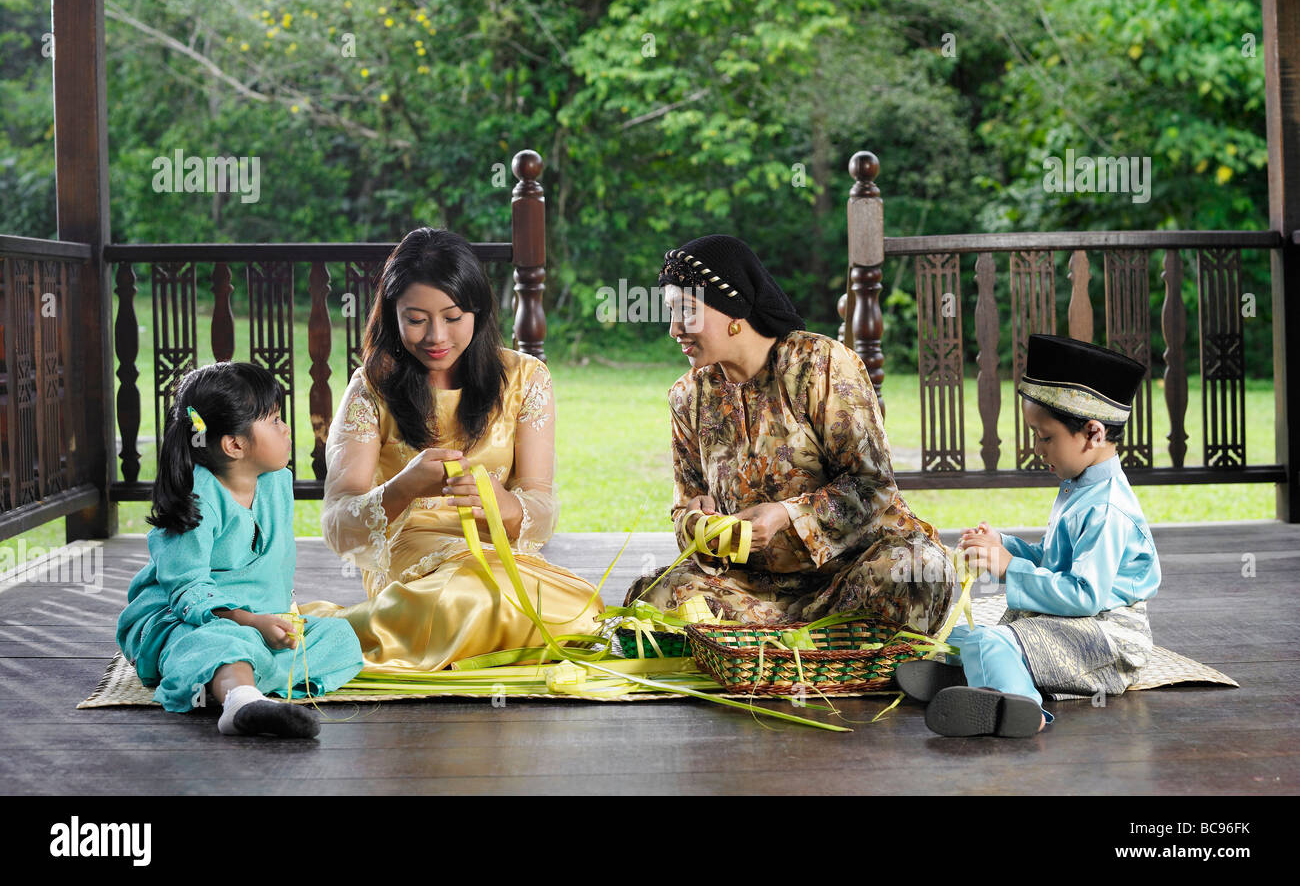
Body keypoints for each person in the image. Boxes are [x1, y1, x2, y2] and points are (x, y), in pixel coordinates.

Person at [300, 228, 604, 671]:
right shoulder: (371, 389)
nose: (435, 336)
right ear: (392, 316)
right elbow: (337, 524)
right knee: (462, 598)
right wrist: (404, 487)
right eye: (416, 319)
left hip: (499, 555)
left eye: (453, 316)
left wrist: (505, 506)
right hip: (411, 558)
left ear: (477, 310)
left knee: (584, 613)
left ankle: (432, 638)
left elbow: (541, 503)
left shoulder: (526, 379)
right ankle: (414, 628)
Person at [623, 234, 956, 634]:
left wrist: (786, 515)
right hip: (755, 591)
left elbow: (873, 485)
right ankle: (814, 639)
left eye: (687, 312)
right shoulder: (688, 397)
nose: (674, 329)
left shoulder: (819, 365)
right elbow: (685, 508)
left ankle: (768, 645)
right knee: (654, 596)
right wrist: (699, 526)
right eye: (671, 313)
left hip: (854, 572)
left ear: (733, 312)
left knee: (919, 571)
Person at [895, 334, 1161, 737]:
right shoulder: (1082, 486)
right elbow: (1055, 562)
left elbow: (1084, 595)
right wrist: (1004, 547)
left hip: (1108, 640)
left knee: (989, 641)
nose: (1039, 449)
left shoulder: (1107, 509)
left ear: (1093, 433)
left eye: (1045, 436)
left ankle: (1023, 709)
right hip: (1077, 623)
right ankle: (977, 681)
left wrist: (1009, 568)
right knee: (961, 633)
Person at [116, 362, 364, 738]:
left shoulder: (276, 483)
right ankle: (240, 701)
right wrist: (248, 622)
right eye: (275, 420)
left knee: (339, 638)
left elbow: (272, 570)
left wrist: (273, 620)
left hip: (257, 620)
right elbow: (186, 590)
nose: (286, 430)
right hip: (185, 617)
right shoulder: (196, 499)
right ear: (234, 445)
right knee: (222, 642)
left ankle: (240, 682)